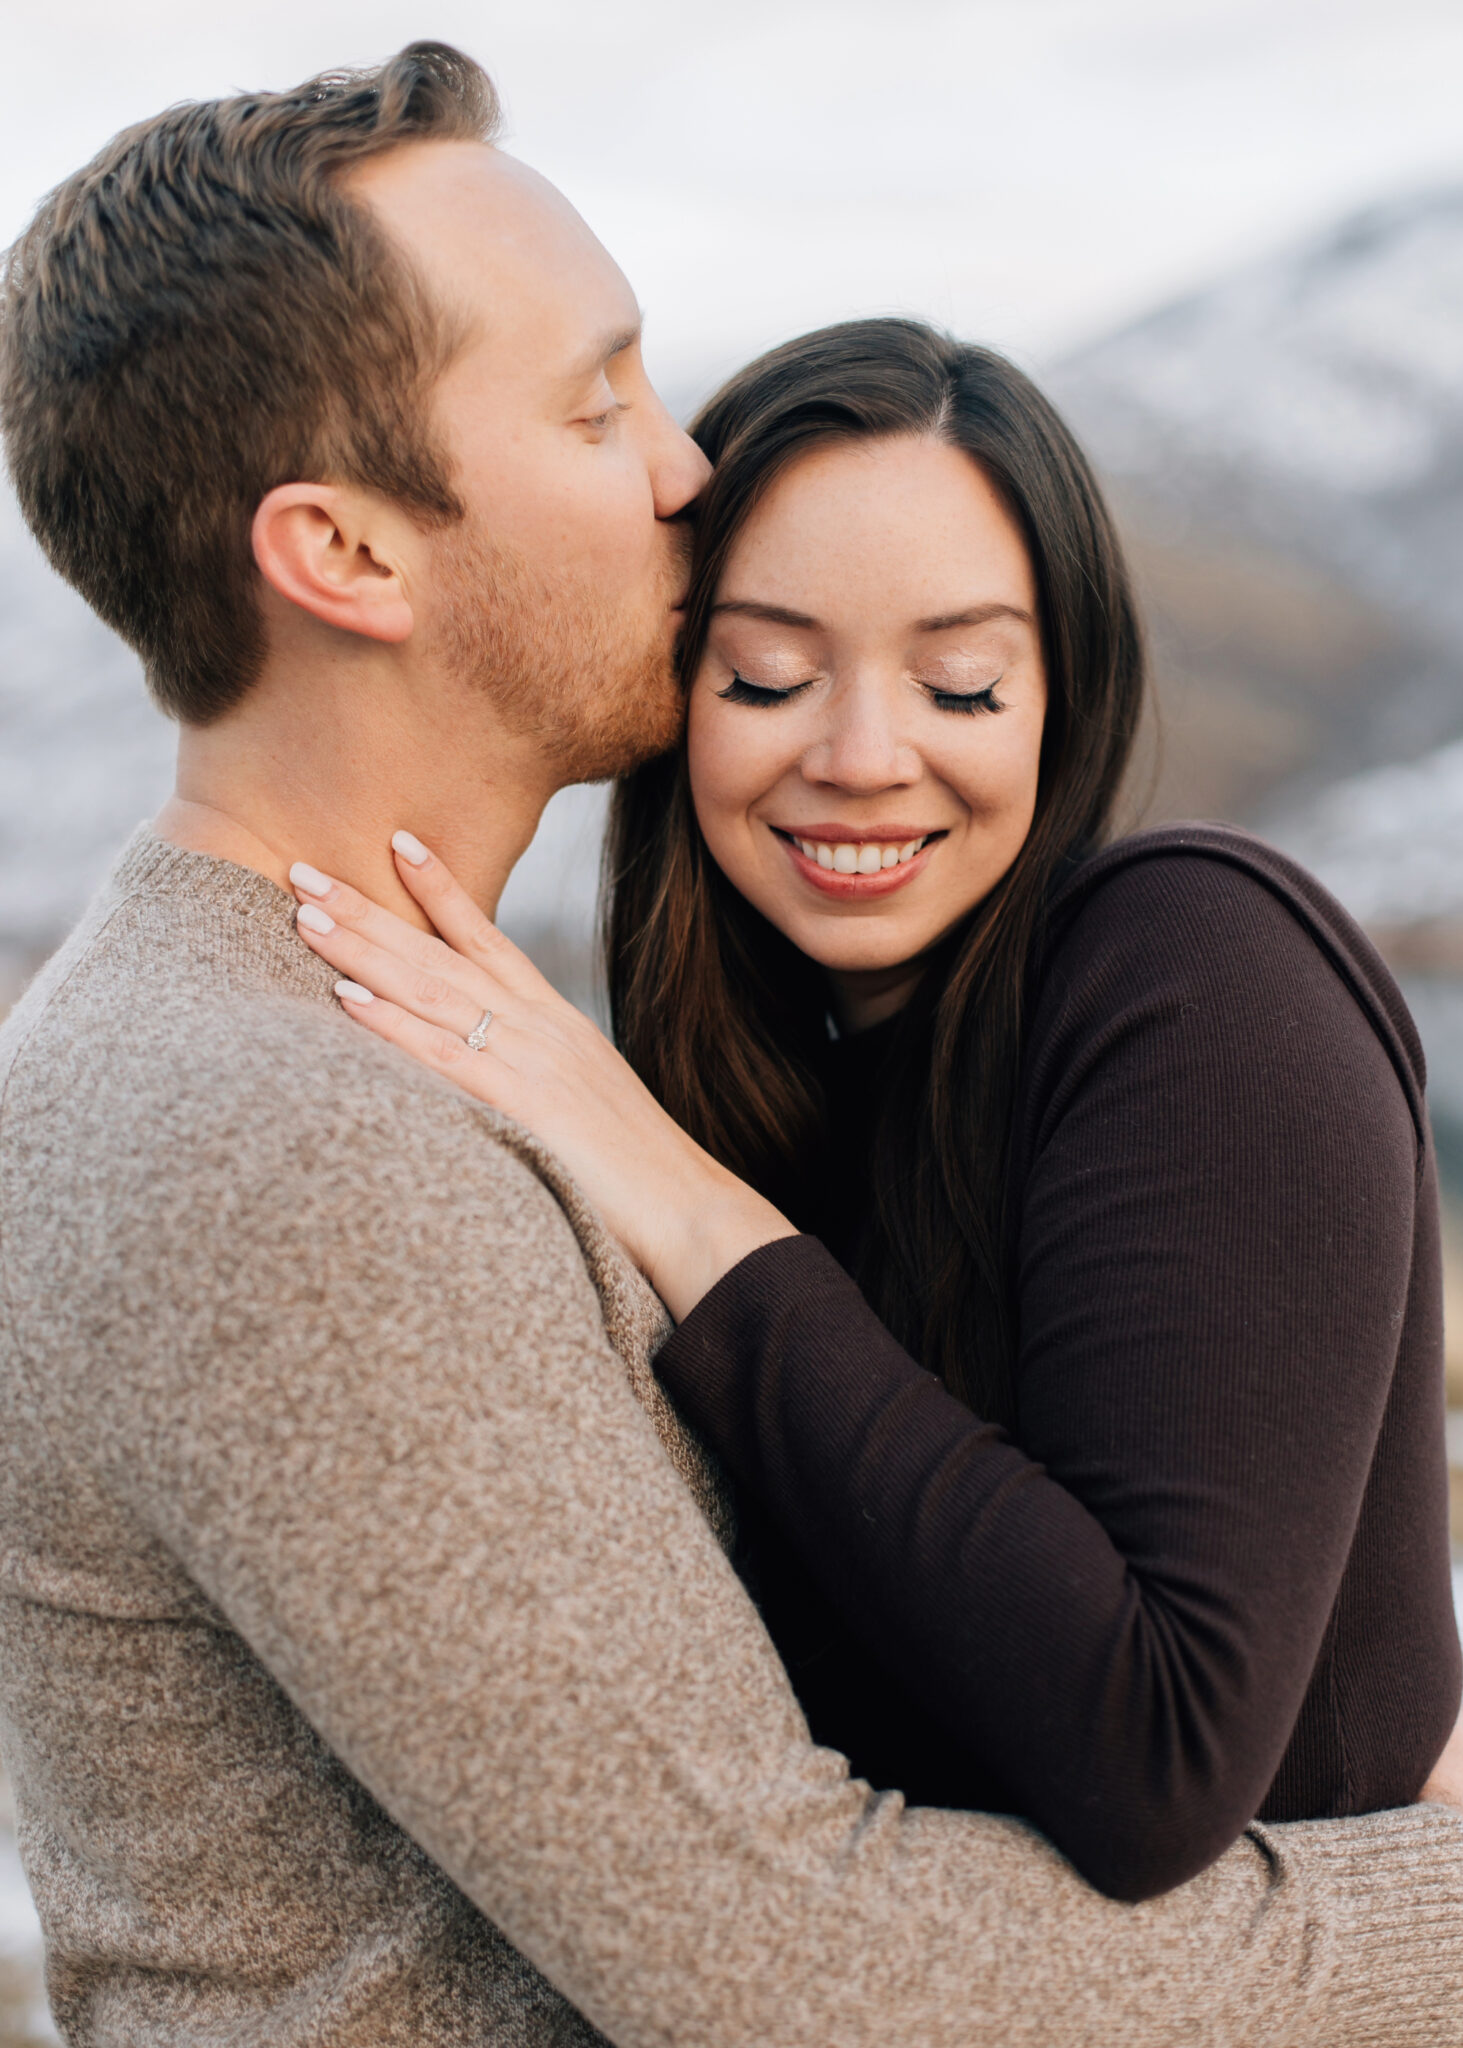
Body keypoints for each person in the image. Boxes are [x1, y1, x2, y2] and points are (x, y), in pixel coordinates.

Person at [0, 40, 1460, 2048]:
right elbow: (794, 1957)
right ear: (344, 552)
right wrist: (1433, 1897)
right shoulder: (282, 1133)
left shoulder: (334, 1042)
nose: (688, 470)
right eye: (598, 401)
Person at [291, 318, 1463, 1912]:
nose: (858, 757)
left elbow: (1156, 1760)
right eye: (768, 674)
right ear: (676, 702)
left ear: (1063, 699)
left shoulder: (1196, 965)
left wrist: (688, 1203)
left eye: (961, 683)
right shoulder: (785, 1109)